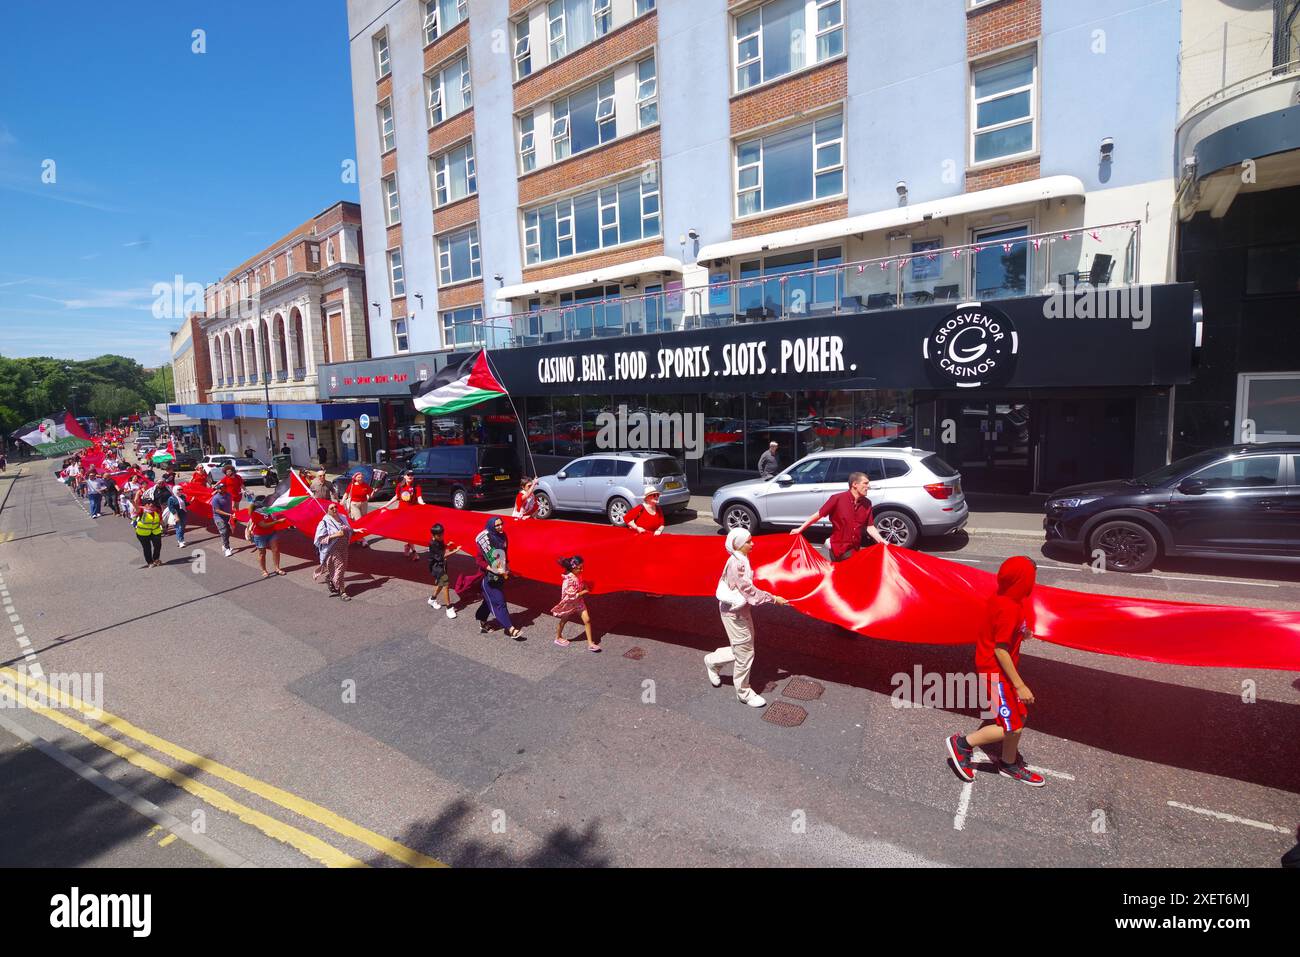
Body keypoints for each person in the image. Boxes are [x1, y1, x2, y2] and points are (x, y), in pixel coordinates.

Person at [945, 556, 1045, 787]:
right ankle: (962, 744)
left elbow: (1002, 631)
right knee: (1012, 725)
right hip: (995, 670)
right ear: (1023, 579)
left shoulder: (1009, 597)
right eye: (1032, 576)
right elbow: (1001, 650)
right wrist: (1020, 685)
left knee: (1019, 716)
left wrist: (1023, 633)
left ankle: (1008, 763)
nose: (1034, 581)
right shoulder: (1009, 607)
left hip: (999, 668)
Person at [705, 528, 789, 708]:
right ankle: (743, 692)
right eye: (748, 541)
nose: (753, 543)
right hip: (733, 612)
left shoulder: (741, 558)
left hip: (740, 609)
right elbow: (748, 590)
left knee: (744, 648)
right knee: (745, 653)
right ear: (738, 544)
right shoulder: (738, 564)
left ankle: (712, 661)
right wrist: (773, 599)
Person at [790, 471, 885, 561]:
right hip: (837, 548)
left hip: (854, 549)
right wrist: (800, 529)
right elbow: (818, 515)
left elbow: (870, 527)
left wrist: (883, 541)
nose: (868, 486)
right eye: (865, 483)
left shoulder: (867, 503)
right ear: (855, 484)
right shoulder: (837, 499)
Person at [474, 517, 522, 639]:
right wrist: (491, 568)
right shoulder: (486, 541)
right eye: (497, 525)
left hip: (499, 575)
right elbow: (479, 561)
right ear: (491, 526)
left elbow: (504, 553)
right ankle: (510, 629)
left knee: (488, 601)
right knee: (500, 602)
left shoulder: (502, 536)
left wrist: (508, 567)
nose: (500, 527)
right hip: (488, 577)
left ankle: (482, 620)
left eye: (501, 524)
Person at [551, 555, 598, 651]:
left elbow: (580, 582)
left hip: (578, 602)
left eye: (582, 567)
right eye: (579, 568)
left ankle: (590, 643)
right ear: (573, 569)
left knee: (587, 620)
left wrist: (584, 584)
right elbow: (572, 596)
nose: (582, 570)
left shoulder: (577, 574)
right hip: (569, 603)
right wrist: (585, 591)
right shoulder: (568, 580)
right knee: (564, 620)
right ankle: (558, 637)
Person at [313, 502, 352, 600]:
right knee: (340, 567)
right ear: (327, 511)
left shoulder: (342, 517)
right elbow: (319, 539)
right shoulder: (324, 523)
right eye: (331, 508)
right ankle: (342, 592)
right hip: (332, 549)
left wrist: (355, 530)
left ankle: (331, 578)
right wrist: (335, 535)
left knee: (342, 568)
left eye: (335, 507)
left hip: (344, 547)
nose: (334, 509)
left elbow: (348, 529)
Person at [426, 523, 462, 617]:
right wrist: (455, 550)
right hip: (436, 567)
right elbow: (443, 555)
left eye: (442, 534)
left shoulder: (439, 540)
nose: (441, 537)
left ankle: (432, 599)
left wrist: (447, 545)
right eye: (439, 535)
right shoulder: (432, 543)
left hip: (442, 565)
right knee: (446, 585)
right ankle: (449, 608)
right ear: (433, 535)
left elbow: (442, 549)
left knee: (441, 584)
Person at [249, 495, 286, 579]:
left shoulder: (269, 510)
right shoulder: (255, 513)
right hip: (260, 535)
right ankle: (264, 570)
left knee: (276, 550)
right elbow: (263, 525)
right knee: (262, 553)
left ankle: (277, 568)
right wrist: (278, 522)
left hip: (272, 533)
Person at [392, 470, 424, 561]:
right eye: (408, 475)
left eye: (412, 475)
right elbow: (396, 497)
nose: (410, 476)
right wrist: (386, 505)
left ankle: (408, 545)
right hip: (402, 512)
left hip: (413, 512)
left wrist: (423, 504)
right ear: (404, 476)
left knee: (412, 532)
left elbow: (419, 498)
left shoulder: (416, 486)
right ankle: (414, 552)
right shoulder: (400, 486)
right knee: (408, 532)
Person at [344, 470, 373, 546]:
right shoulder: (352, 485)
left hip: (364, 504)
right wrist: (342, 501)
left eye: (361, 477)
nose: (361, 478)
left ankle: (357, 537)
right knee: (358, 520)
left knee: (363, 521)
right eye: (359, 477)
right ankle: (363, 539)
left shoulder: (365, 485)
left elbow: (370, 495)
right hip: (354, 504)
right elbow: (346, 494)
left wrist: (373, 492)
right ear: (355, 478)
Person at [135, 500, 164, 568]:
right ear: (145, 505)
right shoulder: (142, 511)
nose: (151, 504)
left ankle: (156, 559)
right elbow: (136, 507)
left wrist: (163, 525)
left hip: (155, 532)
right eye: (148, 503)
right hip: (142, 533)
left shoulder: (157, 511)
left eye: (152, 503)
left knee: (158, 545)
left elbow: (160, 520)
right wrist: (132, 501)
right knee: (147, 548)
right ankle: (150, 562)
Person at [211, 485, 235, 557]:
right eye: (220, 488)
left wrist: (233, 511)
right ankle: (227, 549)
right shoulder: (215, 498)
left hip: (228, 516)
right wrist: (229, 514)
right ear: (217, 490)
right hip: (219, 517)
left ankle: (225, 544)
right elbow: (217, 510)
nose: (223, 489)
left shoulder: (228, 495)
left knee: (229, 531)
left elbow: (231, 504)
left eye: (224, 488)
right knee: (224, 532)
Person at [167, 484, 188, 549]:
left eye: (181, 489)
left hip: (183, 513)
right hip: (176, 514)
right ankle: (180, 541)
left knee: (183, 527)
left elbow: (185, 504)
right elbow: (171, 508)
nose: (180, 491)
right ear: (175, 490)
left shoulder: (182, 497)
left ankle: (181, 538)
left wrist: (190, 502)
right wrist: (176, 517)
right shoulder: (171, 498)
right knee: (179, 527)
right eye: (179, 490)